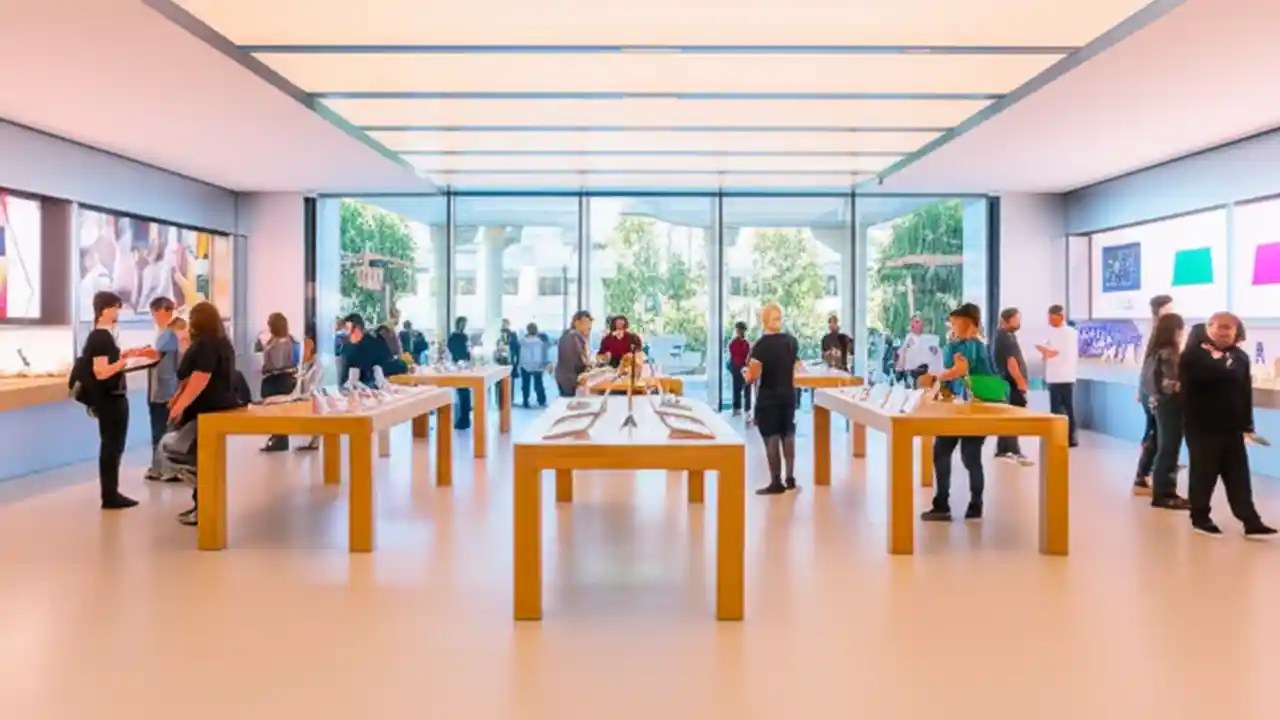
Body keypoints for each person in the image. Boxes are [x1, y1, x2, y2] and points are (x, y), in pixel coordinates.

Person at [1179, 312, 1275, 538]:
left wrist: (1247, 425)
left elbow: (1244, 391)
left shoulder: (1240, 357)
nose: (1223, 332)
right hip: (1202, 426)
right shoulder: (1194, 354)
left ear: (1236, 332)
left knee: (1238, 475)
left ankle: (1251, 521)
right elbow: (1204, 377)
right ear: (1209, 327)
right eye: (1219, 327)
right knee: (1204, 473)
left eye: (1229, 328)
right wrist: (1223, 364)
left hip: (1232, 428)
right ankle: (1200, 517)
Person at [163, 301, 245, 526]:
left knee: (174, 449)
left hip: (206, 410)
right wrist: (178, 397)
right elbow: (191, 377)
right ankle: (201, 504)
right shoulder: (222, 343)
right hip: (220, 407)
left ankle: (205, 501)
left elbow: (200, 378)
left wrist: (179, 406)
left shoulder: (205, 345)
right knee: (198, 455)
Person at [922, 303, 996, 522]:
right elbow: (953, 374)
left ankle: (975, 503)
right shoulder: (954, 346)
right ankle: (942, 503)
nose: (952, 326)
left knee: (970, 456)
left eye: (955, 322)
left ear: (967, 322)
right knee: (942, 451)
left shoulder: (974, 345)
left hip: (978, 409)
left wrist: (939, 377)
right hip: (957, 409)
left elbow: (959, 371)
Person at [82, 291, 152, 509]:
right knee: (112, 446)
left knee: (112, 446)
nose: (118, 312)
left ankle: (111, 492)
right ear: (105, 309)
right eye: (115, 307)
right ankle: (110, 494)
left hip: (111, 399)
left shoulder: (101, 336)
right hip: (111, 400)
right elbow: (101, 372)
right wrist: (122, 364)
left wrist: (124, 357)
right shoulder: (101, 337)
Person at [746, 302, 801, 495]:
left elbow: (753, 375)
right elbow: (795, 366)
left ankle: (776, 482)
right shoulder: (791, 342)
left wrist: (746, 374)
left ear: (763, 321)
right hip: (788, 395)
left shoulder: (760, 346)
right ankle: (791, 478)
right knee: (788, 434)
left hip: (769, 397)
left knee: (771, 436)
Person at [1141, 312, 1191, 510]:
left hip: (1161, 403)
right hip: (1171, 404)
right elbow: (1171, 383)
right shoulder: (1170, 353)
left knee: (1164, 447)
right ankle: (1165, 494)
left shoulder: (1154, 351)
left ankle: (1163, 491)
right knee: (1169, 448)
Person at [1134, 294, 1175, 494]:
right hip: (1155, 393)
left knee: (1155, 432)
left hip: (1150, 390)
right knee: (1155, 432)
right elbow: (1150, 364)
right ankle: (1144, 474)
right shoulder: (1160, 332)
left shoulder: (1159, 331)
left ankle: (1148, 471)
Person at [144, 296, 183, 482]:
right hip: (166, 387)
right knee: (167, 430)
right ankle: (168, 468)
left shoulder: (168, 334)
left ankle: (160, 469)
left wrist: (136, 353)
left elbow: (156, 354)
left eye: (154, 313)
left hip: (163, 391)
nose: (154, 318)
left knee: (161, 430)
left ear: (164, 311)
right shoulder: (172, 332)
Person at [992, 307, 1034, 467]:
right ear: (1006, 320)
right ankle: (1010, 449)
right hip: (1011, 384)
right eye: (1016, 319)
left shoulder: (1005, 336)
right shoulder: (1005, 338)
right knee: (1013, 416)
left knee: (1009, 416)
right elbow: (1011, 363)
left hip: (1009, 384)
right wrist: (1020, 382)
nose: (1019, 322)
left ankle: (1006, 448)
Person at [254, 312, 299, 452]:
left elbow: (277, 363)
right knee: (280, 411)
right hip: (286, 380)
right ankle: (279, 437)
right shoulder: (291, 340)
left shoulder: (277, 343)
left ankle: (279, 439)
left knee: (275, 411)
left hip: (276, 380)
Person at [1036, 304, 1079, 448]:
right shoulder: (1049, 332)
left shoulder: (1070, 333)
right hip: (1053, 376)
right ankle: (1057, 436)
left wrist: (1047, 352)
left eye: (1052, 318)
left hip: (1066, 376)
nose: (1049, 321)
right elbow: (1046, 350)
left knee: (1068, 408)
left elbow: (1058, 353)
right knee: (1055, 409)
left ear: (1060, 316)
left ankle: (1070, 437)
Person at [339, 312, 403, 387]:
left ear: (357, 328)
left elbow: (387, 363)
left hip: (370, 386)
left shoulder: (374, 343)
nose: (345, 333)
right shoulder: (347, 347)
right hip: (360, 387)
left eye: (347, 329)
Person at [556, 311, 594, 398]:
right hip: (569, 380)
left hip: (570, 378)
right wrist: (588, 366)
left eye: (590, 323)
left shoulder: (576, 337)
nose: (589, 327)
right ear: (577, 323)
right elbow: (572, 361)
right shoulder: (570, 338)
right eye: (586, 323)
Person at [896, 315, 941, 387]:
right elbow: (903, 352)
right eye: (912, 322)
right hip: (913, 373)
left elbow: (936, 355)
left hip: (928, 372)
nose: (913, 324)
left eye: (917, 322)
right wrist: (900, 369)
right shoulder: (910, 338)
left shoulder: (931, 339)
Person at [447, 317, 473, 429]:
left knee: (463, 391)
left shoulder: (459, 337)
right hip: (459, 365)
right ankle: (463, 418)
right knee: (462, 392)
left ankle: (464, 418)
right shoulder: (458, 337)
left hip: (462, 365)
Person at [518, 322, 551, 408]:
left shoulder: (523, 341)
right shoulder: (540, 342)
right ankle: (541, 401)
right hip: (537, 365)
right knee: (538, 384)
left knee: (525, 385)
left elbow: (520, 353)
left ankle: (525, 401)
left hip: (525, 365)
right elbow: (544, 353)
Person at [728, 321, 752, 417]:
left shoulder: (736, 343)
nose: (740, 331)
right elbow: (746, 356)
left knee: (740, 388)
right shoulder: (742, 343)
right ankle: (744, 408)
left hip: (739, 367)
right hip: (741, 367)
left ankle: (740, 408)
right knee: (743, 388)